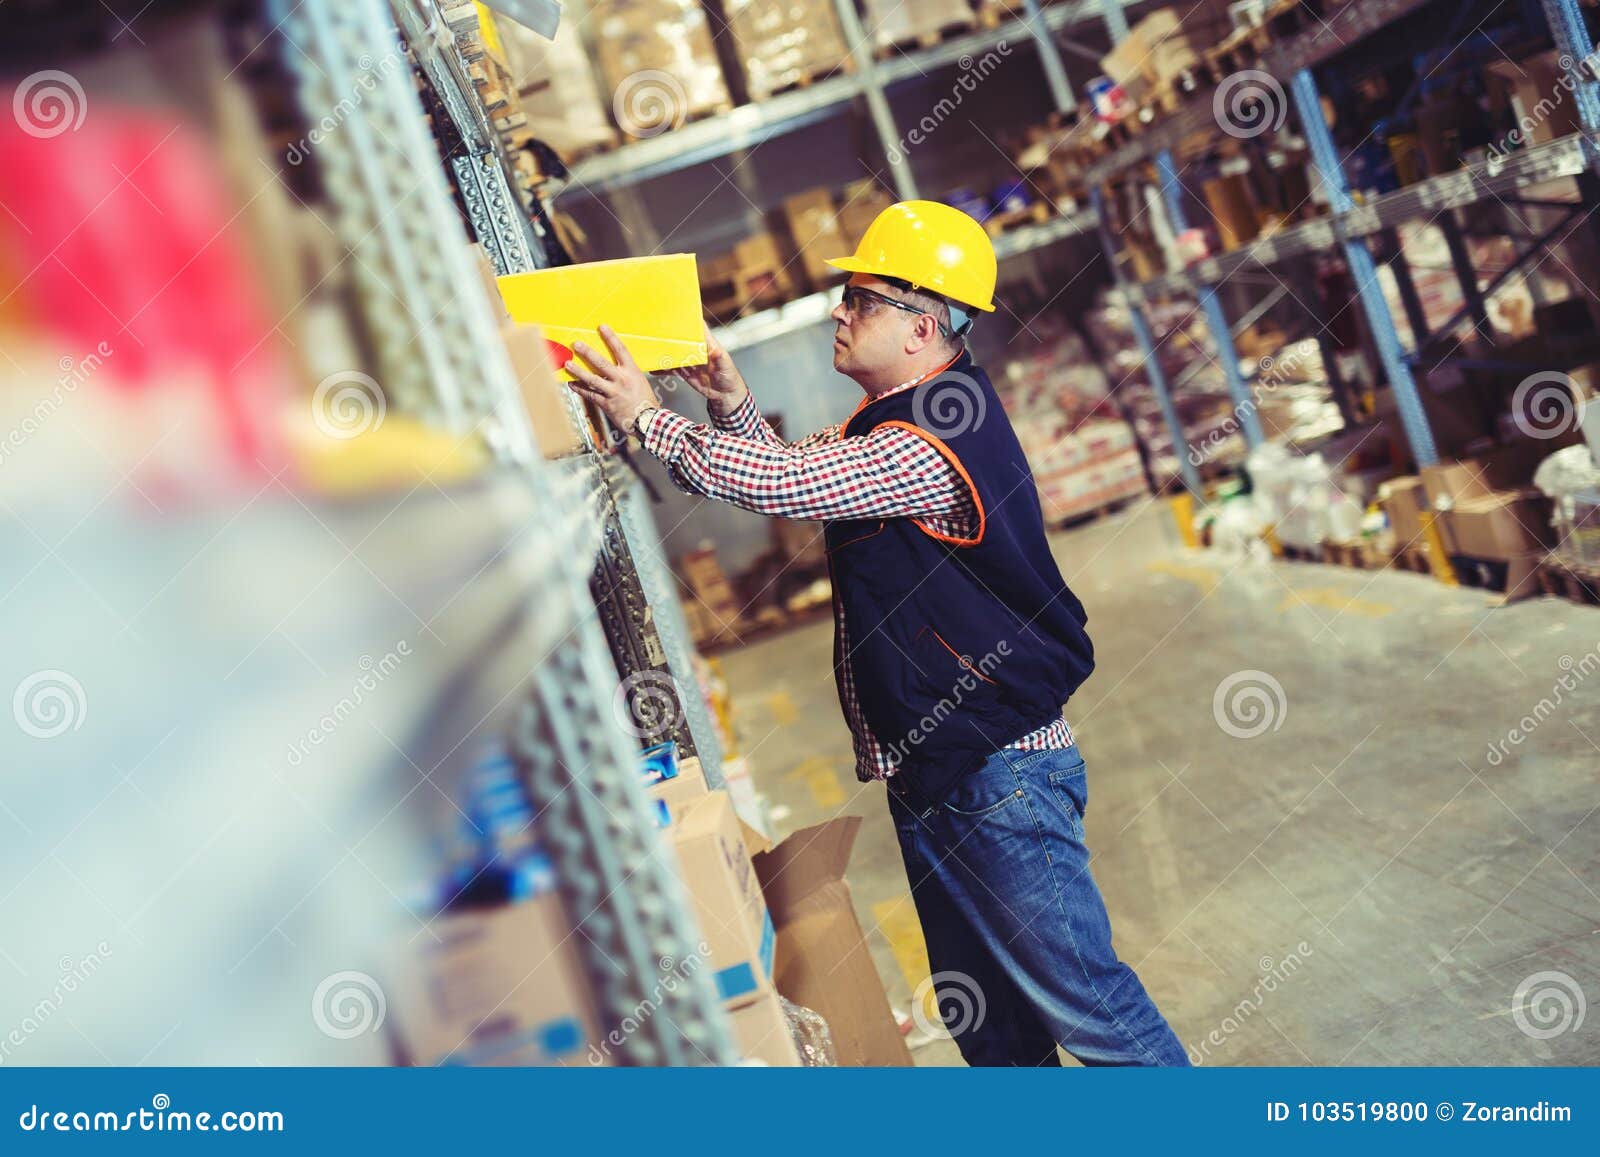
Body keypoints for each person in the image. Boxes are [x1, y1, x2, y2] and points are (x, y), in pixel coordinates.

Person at [563, 201, 1187, 1067]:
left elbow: (785, 486)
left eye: (859, 299)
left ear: (921, 325)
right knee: (995, 1032)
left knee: (1094, 1013)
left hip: (996, 771)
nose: (838, 311)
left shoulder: (935, 438)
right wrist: (732, 404)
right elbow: (806, 470)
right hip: (943, 772)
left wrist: (645, 416)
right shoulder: (895, 418)